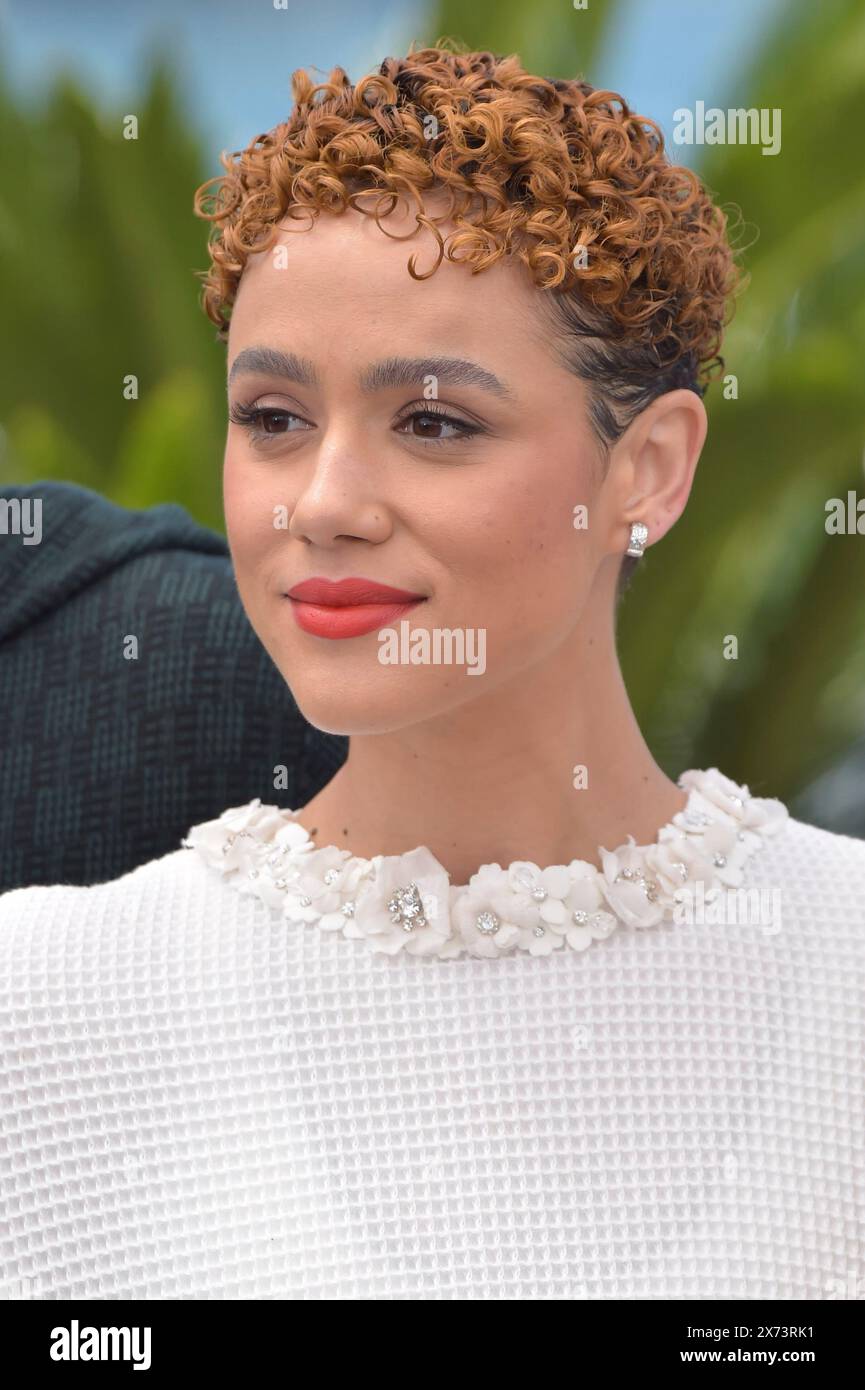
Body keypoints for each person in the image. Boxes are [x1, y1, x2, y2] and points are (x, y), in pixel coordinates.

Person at [1, 44, 862, 1301]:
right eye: (274, 421)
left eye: (435, 422)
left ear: (652, 469)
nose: (325, 505)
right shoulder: (45, 1009)